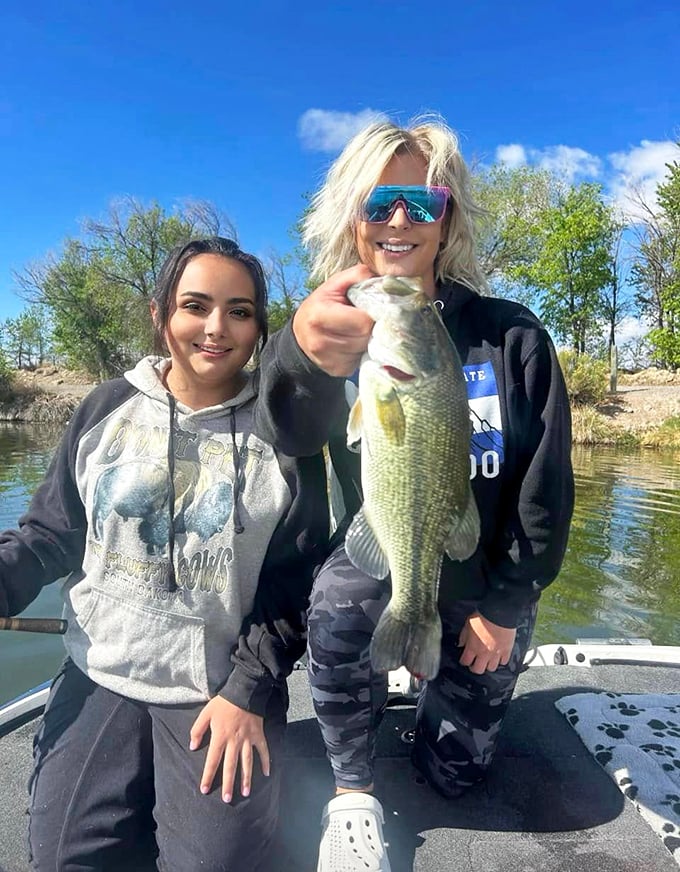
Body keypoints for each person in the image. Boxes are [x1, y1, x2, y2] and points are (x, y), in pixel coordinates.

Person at [0, 236, 344, 872]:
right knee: (62, 860)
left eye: (239, 311)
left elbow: (299, 581)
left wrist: (247, 690)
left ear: (259, 329)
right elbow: (49, 535)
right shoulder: (106, 407)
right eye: (196, 305)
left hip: (220, 689)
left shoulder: (284, 435)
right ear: (161, 314)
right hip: (100, 670)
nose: (216, 328)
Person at [291, 117, 575, 872]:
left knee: (454, 776)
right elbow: (281, 431)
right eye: (379, 201)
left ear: (447, 219)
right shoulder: (331, 337)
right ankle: (353, 792)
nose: (399, 220)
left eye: (423, 202)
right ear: (352, 215)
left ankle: (439, 693)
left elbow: (544, 489)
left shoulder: (511, 336)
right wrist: (296, 354)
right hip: (384, 549)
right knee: (338, 602)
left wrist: (506, 605)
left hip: (483, 578)